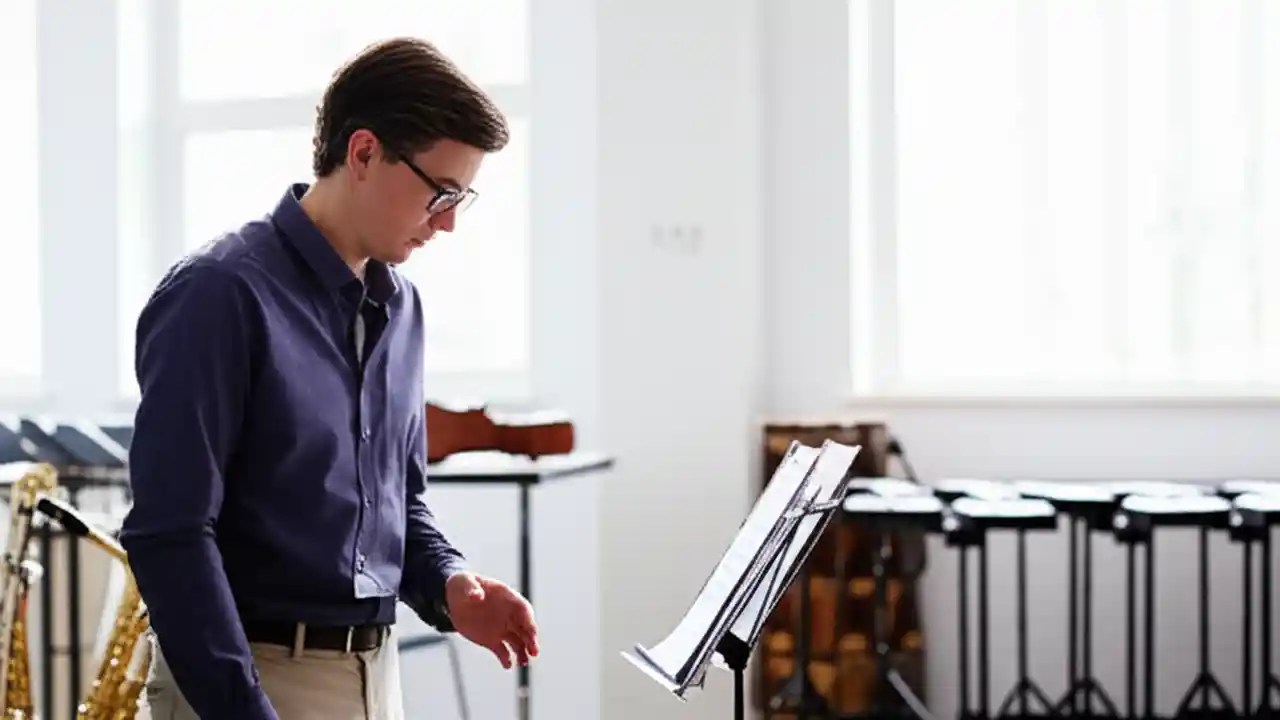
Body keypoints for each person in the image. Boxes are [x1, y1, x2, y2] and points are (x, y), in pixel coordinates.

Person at [119, 37, 538, 720]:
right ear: (365, 152)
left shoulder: (401, 306)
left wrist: (451, 585)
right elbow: (170, 533)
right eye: (442, 193)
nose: (452, 223)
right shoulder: (219, 293)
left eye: (466, 197)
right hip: (245, 683)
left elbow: (398, 501)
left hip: (374, 677)